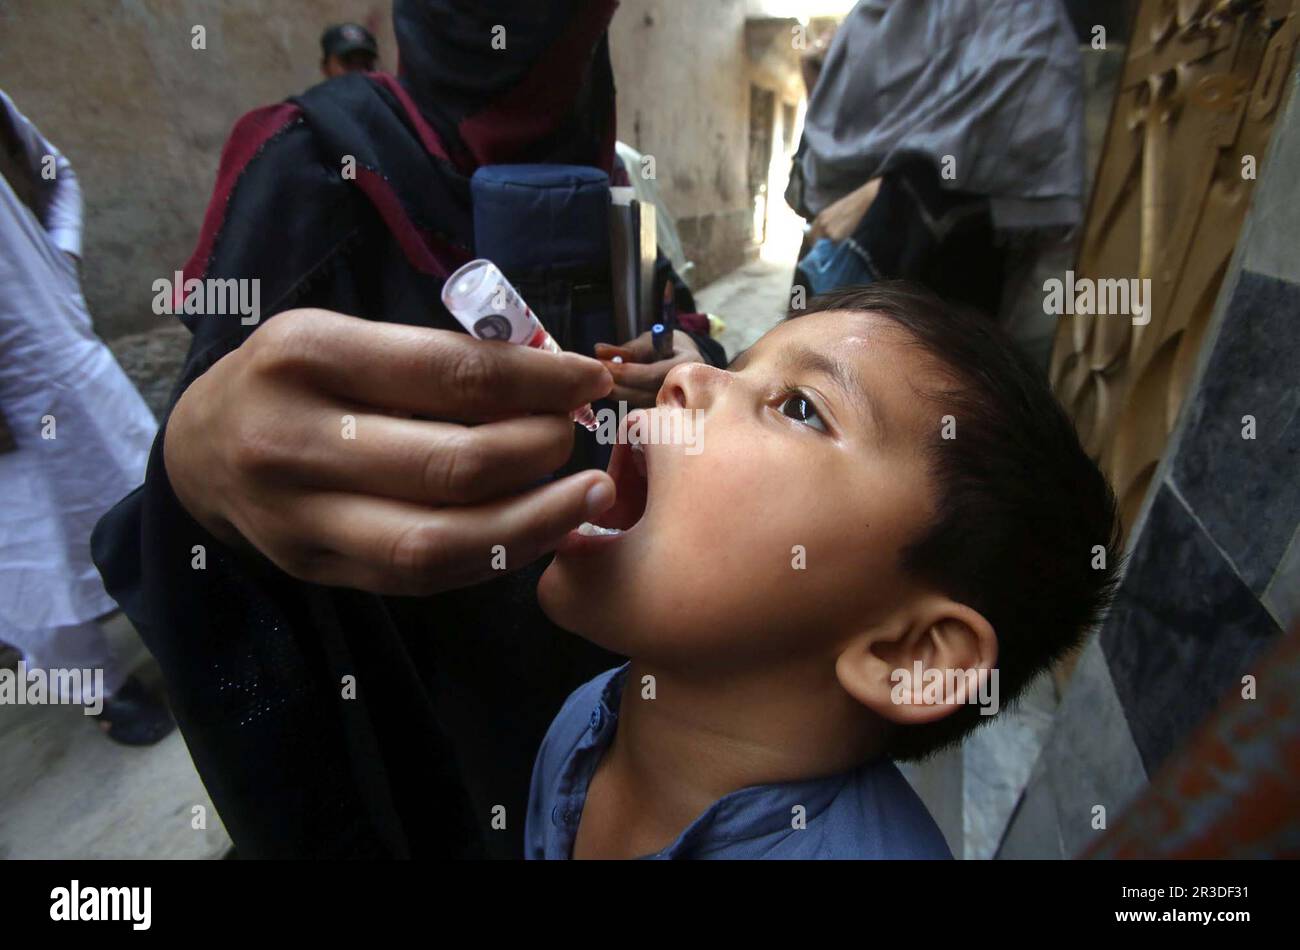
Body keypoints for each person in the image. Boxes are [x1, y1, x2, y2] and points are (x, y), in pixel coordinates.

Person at [92, 0, 724, 859]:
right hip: (430, 697)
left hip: (625, 673)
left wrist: (683, 349)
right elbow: (232, 447)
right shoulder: (310, 163)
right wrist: (200, 469)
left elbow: (672, 308)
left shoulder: (617, 176)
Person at [527, 283, 1120, 858]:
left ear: (909, 655)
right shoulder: (585, 723)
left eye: (801, 409)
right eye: (736, 364)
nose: (686, 376)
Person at [0, 90, 173, 744]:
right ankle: (98, 689)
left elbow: (56, 174)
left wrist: (60, 262)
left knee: (142, 493)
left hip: (60, 351)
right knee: (25, 559)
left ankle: (189, 627)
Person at [787, 0, 1085, 316]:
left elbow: (1018, 123)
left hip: (936, 255)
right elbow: (832, 145)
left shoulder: (1013, 12)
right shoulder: (875, 15)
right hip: (833, 245)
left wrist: (889, 189)